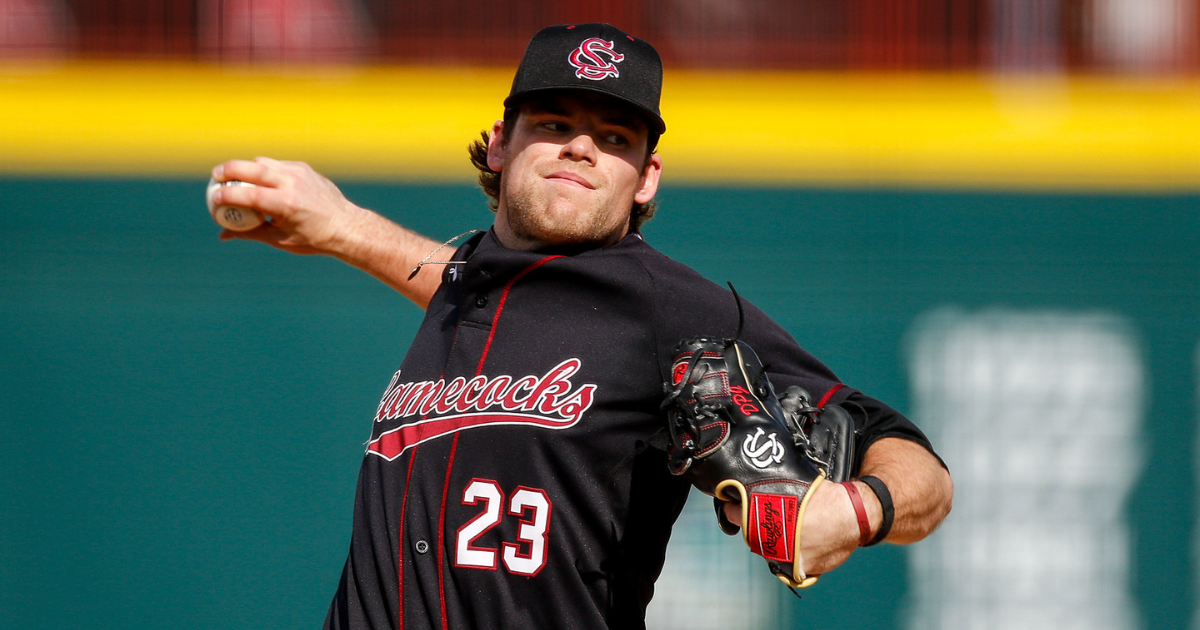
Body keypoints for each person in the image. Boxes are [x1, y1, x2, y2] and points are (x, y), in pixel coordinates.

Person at [210, 23, 952, 630]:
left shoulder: (673, 312)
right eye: (556, 122)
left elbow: (921, 469)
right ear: (500, 143)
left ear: (647, 177)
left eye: (615, 137)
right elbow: (464, 283)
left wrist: (858, 510)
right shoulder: (468, 285)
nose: (581, 147)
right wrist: (343, 226)